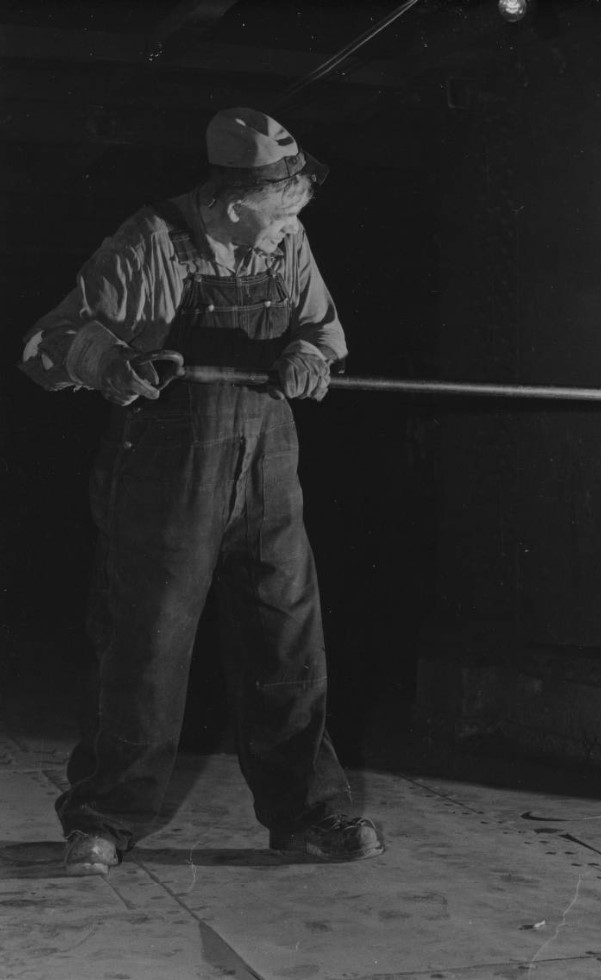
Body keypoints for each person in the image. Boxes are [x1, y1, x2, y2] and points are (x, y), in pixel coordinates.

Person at [18, 107, 384, 875]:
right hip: (164, 470)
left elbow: (324, 331)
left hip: (268, 460)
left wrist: (311, 357)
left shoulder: (286, 240)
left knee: (286, 640)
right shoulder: (149, 244)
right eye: (280, 210)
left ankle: (308, 816)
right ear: (232, 202)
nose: (292, 226)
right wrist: (109, 364)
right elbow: (46, 346)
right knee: (146, 647)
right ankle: (105, 820)